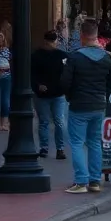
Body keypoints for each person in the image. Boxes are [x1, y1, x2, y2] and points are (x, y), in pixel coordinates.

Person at [60, 18, 111, 194]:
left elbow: (65, 82)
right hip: (99, 104)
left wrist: (70, 96)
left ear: (82, 36)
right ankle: (95, 181)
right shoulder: (106, 58)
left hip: (79, 104)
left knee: (76, 143)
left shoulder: (75, 57)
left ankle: (81, 182)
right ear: (96, 35)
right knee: (95, 143)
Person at [30, 30, 68, 160]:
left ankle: (59, 148)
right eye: (51, 40)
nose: (53, 43)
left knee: (58, 121)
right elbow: (31, 74)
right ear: (46, 41)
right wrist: (38, 85)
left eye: (54, 40)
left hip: (58, 94)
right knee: (45, 122)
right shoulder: (36, 56)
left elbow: (67, 73)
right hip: (42, 94)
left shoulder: (62, 55)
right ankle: (44, 148)